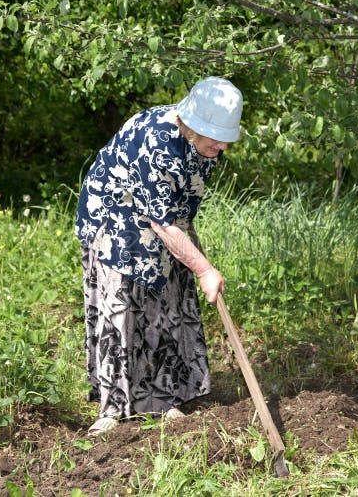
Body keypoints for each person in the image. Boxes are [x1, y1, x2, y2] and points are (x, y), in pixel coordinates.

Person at [75, 76, 243, 436]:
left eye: (225, 138)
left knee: (168, 299)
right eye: (215, 137)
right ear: (193, 125)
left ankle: (164, 397)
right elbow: (161, 223)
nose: (222, 146)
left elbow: (178, 208)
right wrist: (204, 269)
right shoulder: (158, 143)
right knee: (123, 302)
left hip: (165, 218)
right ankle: (115, 408)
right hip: (115, 214)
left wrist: (189, 254)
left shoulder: (205, 146)